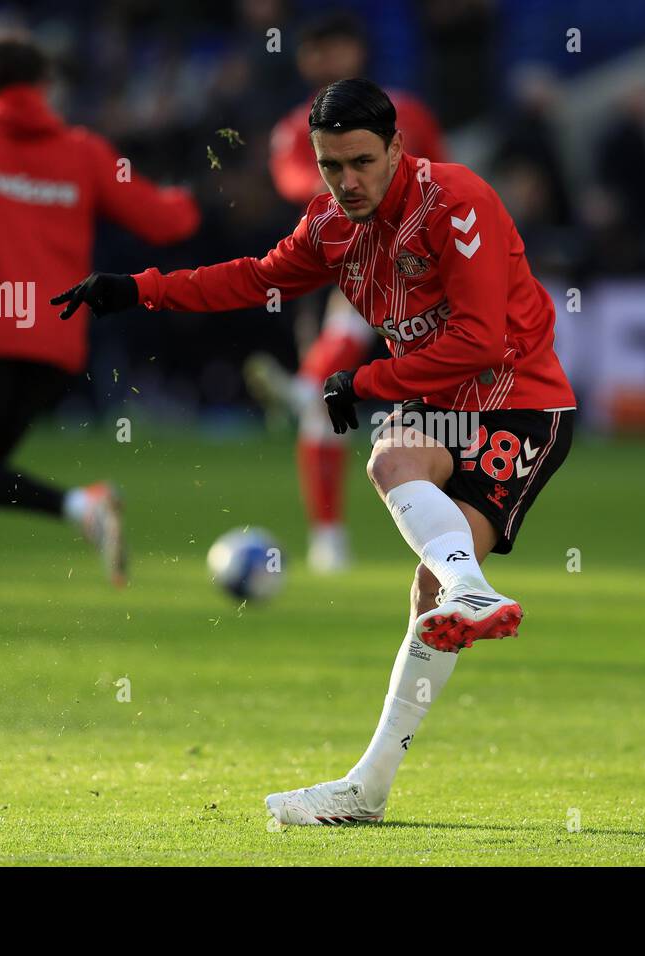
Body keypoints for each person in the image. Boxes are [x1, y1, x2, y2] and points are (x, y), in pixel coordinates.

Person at [53, 78, 576, 825]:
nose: (348, 181)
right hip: (441, 405)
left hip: (521, 403)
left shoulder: (457, 201)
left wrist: (363, 380)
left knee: (388, 462)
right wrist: (139, 290)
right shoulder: (333, 225)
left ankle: (464, 592)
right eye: (332, 165)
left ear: (399, 148)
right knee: (428, 588)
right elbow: (257, 278)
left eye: (362, 161)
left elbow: (481, 340)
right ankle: (370, 783)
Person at [0, 34, 200, 653]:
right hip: (55, 343)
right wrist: (193, 189)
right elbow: (165, 221)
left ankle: (83, 506)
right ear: (45, 88)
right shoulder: (83, 152)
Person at [245, 11, 450, 573]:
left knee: (435, 411)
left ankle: (306, 387)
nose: (328, 60)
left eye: (337, 48)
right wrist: (354, 180)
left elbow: (444, 176)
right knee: (326, 412)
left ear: (358, 54)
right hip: (339, 262)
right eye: (317, 51)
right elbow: (293, 181)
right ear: (304, 61)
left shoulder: (408, 113)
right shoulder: (294, 128)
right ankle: (329, 540)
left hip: (414, 264)